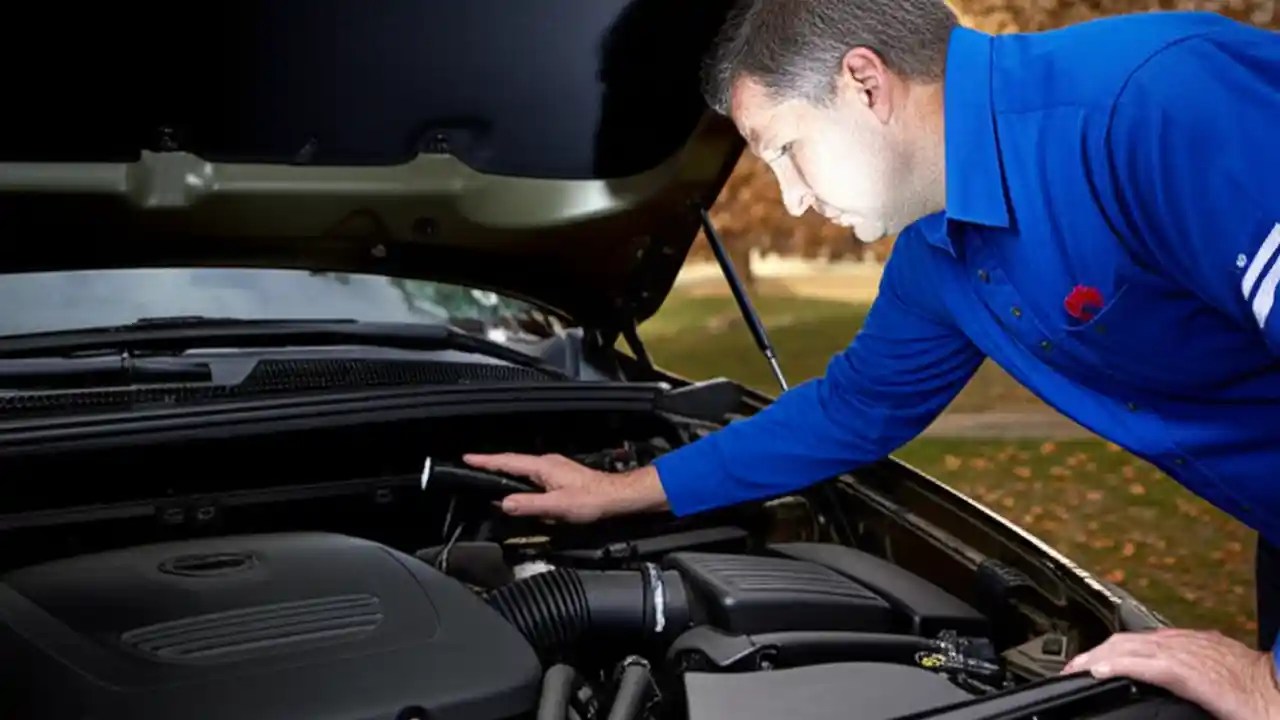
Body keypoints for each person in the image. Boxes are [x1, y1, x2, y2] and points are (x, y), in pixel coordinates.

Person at [465, 2, 1280, 717]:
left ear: (864, 83)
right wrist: (618, 494)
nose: (789, 198)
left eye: (784, 148)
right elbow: (849, 413)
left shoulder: (1157, 107)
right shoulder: (939, 252)